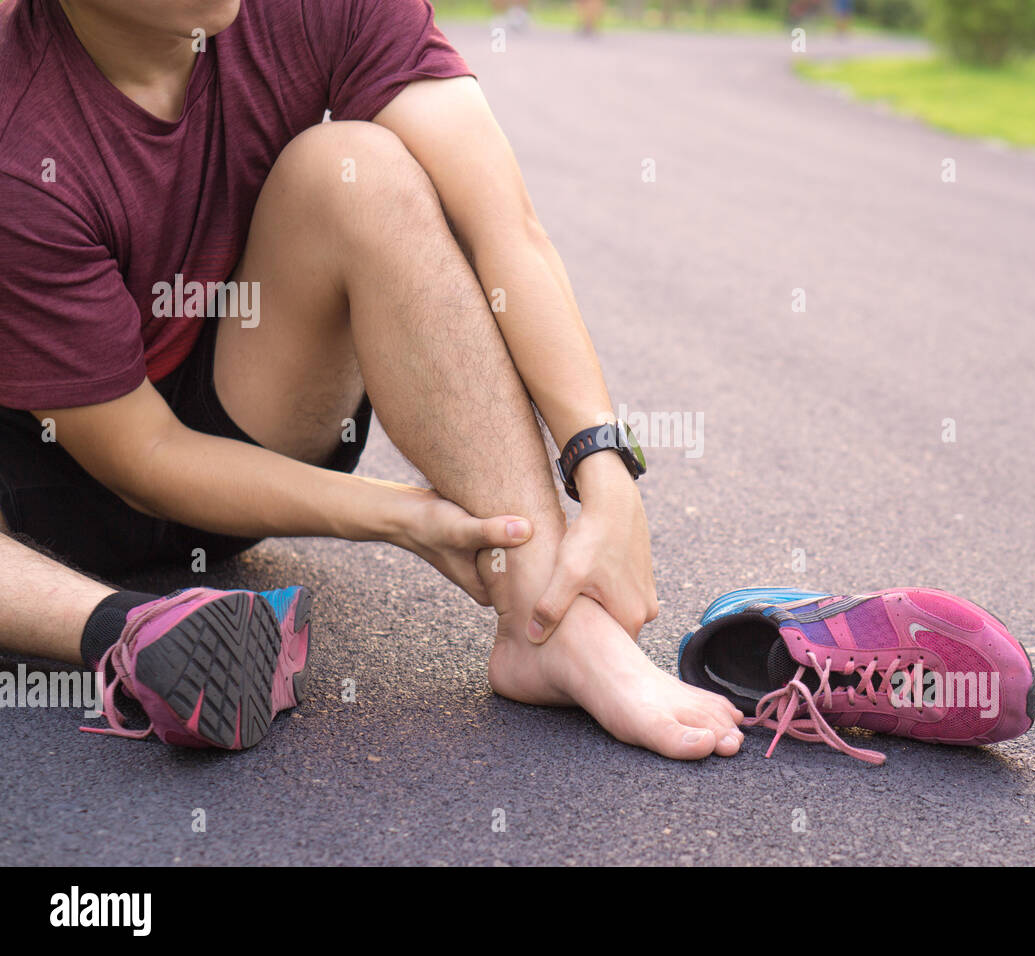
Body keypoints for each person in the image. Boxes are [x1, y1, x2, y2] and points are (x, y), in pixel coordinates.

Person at [0, 0, 745, 759]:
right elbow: (141, 458)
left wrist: (605, 466)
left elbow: (504, 225)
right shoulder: (16, 137)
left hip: (239, 421)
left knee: (357, 166)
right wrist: (400, 516)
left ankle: (549, 627)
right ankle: (123, 626)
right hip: (42, 484)